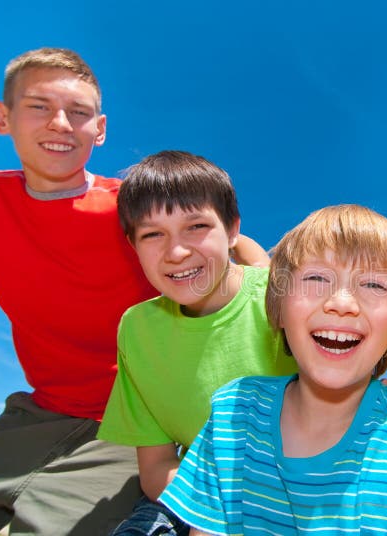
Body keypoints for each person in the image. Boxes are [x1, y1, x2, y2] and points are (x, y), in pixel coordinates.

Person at [158, 204, 387, 535]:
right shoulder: (234, 412)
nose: (341, 303)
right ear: (278, 307)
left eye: (373, 285)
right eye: (317, 278)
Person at [0, 48, 159, 535]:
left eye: (78, 113)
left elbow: (225, 247)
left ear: (99, 129)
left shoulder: (130, 206)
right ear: (3, 117)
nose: (60, 123)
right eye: (39, 106)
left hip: (133, 426)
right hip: (35, 416)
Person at [97, 150, 298, 535]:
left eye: (196, 226)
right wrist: (214, 513)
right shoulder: (137, 330)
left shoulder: (282, 302)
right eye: (153, 234)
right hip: (192, 492)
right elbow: (156, 467)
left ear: (233, 229)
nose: (176, 252)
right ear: (132, 244)